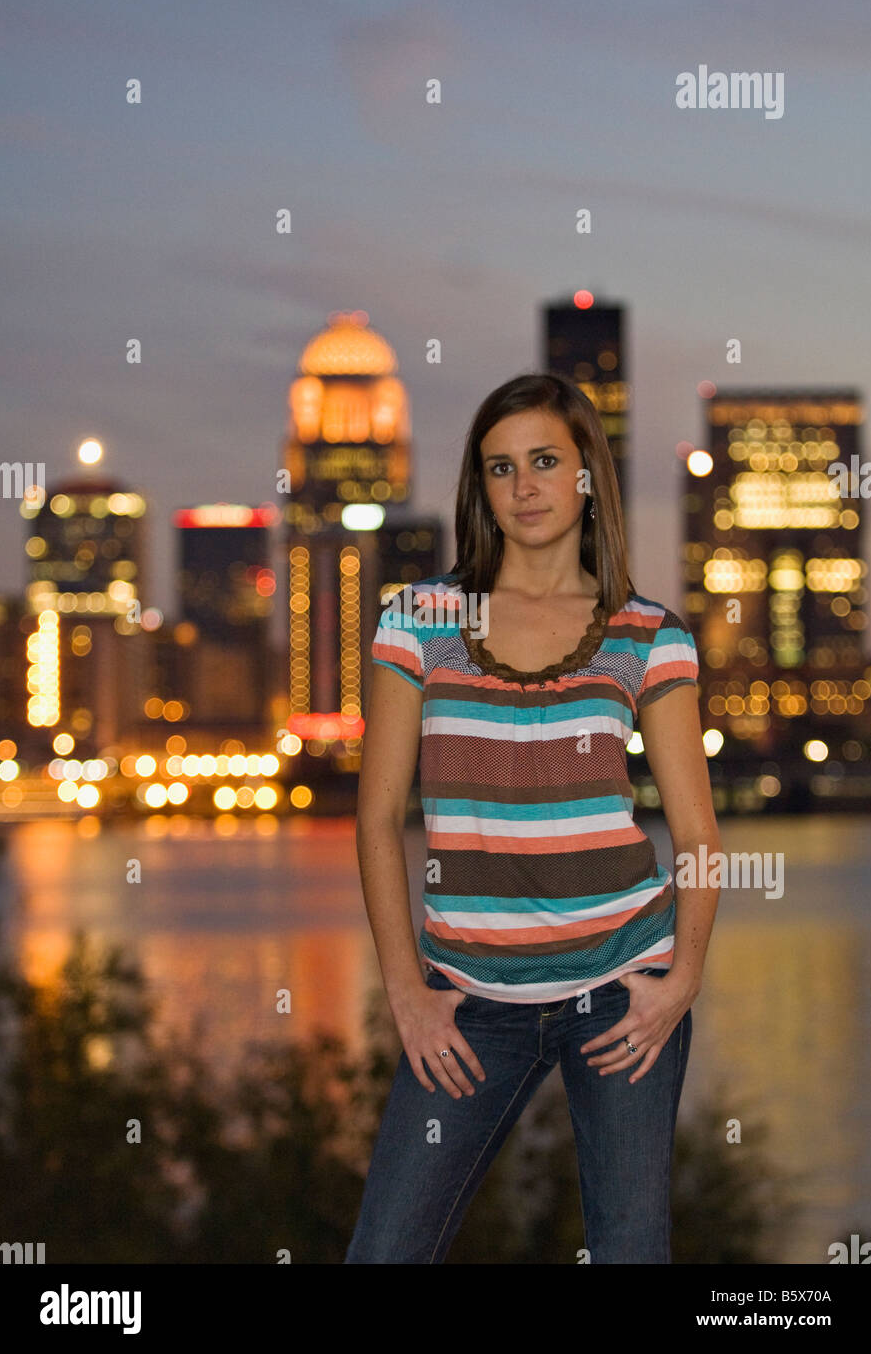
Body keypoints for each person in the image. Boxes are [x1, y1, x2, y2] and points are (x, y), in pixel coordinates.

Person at [345, 371, 722, 1264]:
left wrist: (683, 978)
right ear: (480, 487)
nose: (523, 487)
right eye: (500, 467)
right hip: (468, 1003)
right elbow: (373, 820)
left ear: (588, 473)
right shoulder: (420, 621)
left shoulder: (646, 635)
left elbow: (698, 836)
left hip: (621, 990)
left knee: (631, 1251)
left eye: (545, 461)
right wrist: (406, 990)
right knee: (385, 1250)